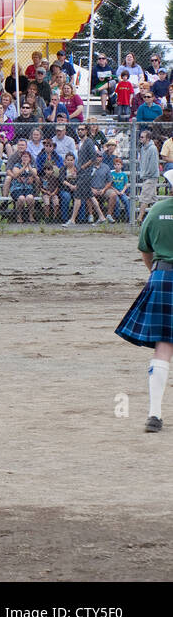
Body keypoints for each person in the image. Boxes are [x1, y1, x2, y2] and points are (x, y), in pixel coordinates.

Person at [116, 169, 173, 432]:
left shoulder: (157, 210)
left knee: (163, 346)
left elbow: (145, 249)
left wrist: (155, 271)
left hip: (162, 277)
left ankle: (154, 415)